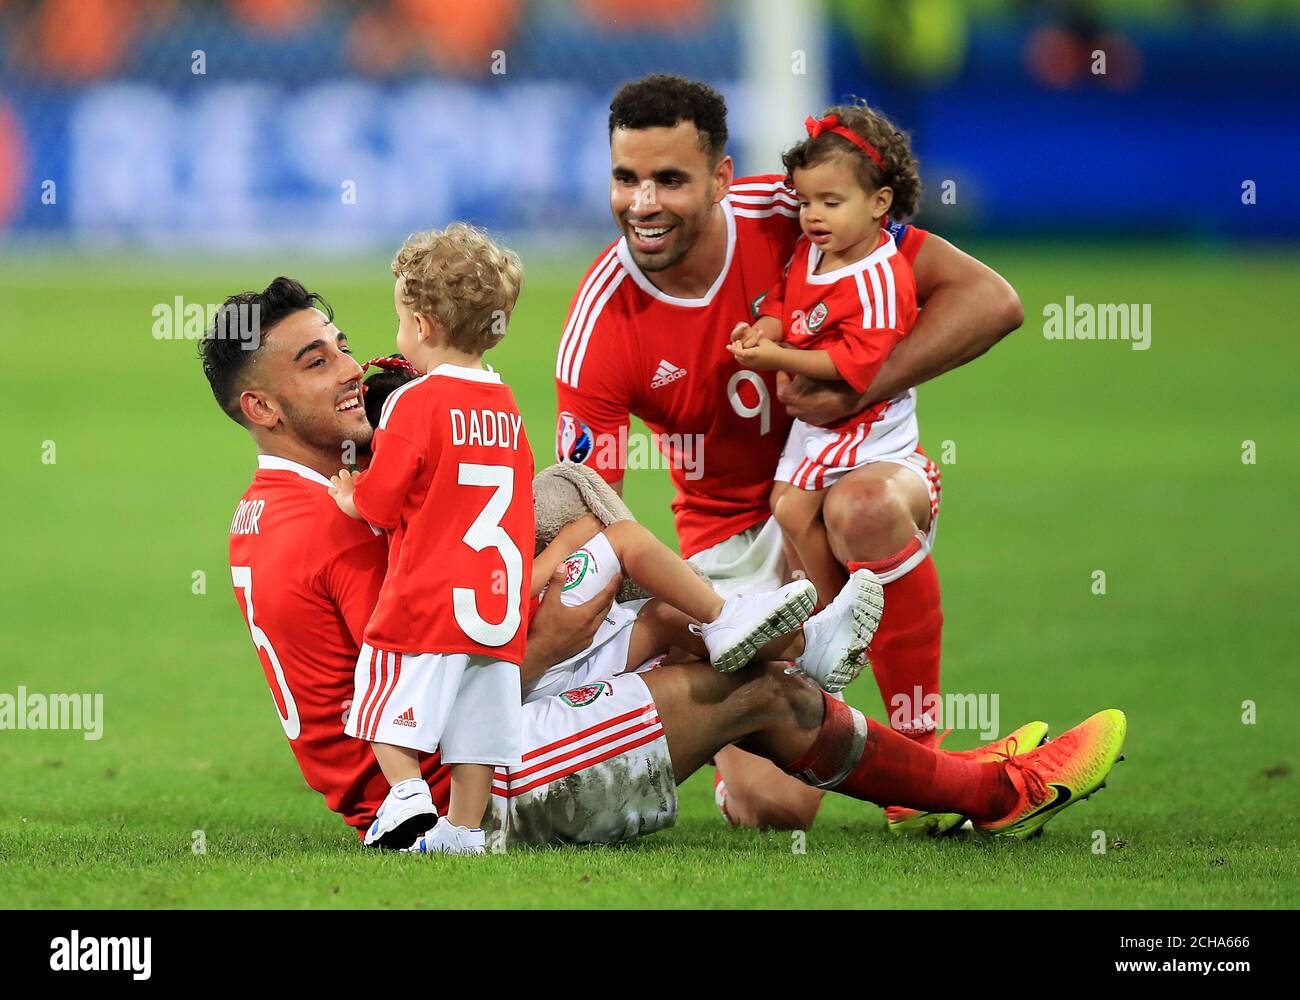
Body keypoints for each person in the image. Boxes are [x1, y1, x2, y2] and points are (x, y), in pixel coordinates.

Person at [206, 278, 1126, 852]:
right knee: (739, 678)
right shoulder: (324, 528)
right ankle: (985, 791)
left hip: (460, 752)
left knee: (677, 619)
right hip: (465, 794)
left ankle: (944, 777)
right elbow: (457, 674)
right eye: (316, 360)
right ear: (262, 409)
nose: (350, 370)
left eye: (339, 342)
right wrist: (581, 568)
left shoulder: (303, 502)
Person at [554, 74, 1023, 832]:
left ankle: (928, 761)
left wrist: (857, 386)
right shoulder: (601, 325)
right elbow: (590, 511)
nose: (643, 203)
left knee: (861, 507)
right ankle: (763, 721)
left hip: (858, 471)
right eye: (626, 177)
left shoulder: (800, 210)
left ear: (722, 178)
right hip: (730, 546)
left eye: (669, 179)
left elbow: (990, 301)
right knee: (773, 809)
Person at [324, 225, 535, 854]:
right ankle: (466, 833)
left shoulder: (414, 403)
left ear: (422, 326)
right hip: (497, 612)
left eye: (399, 321)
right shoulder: (505, 402)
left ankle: (408, 798)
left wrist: (349, 495)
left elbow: (385, 501)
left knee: (379, 706)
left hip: (430, 600)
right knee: (477, 733)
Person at [729, 104, 920, 612]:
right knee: (787, 512)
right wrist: (762, 330)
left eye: (831, 202)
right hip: (820, 418)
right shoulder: (813, 250)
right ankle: (827, 608)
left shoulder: (879, 278)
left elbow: (855, 365)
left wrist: (774, 358)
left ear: (880, 202)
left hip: (866, 420)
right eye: (806, 201)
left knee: (790, 509)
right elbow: (784, 302)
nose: (812, 215)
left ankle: (837, 614)